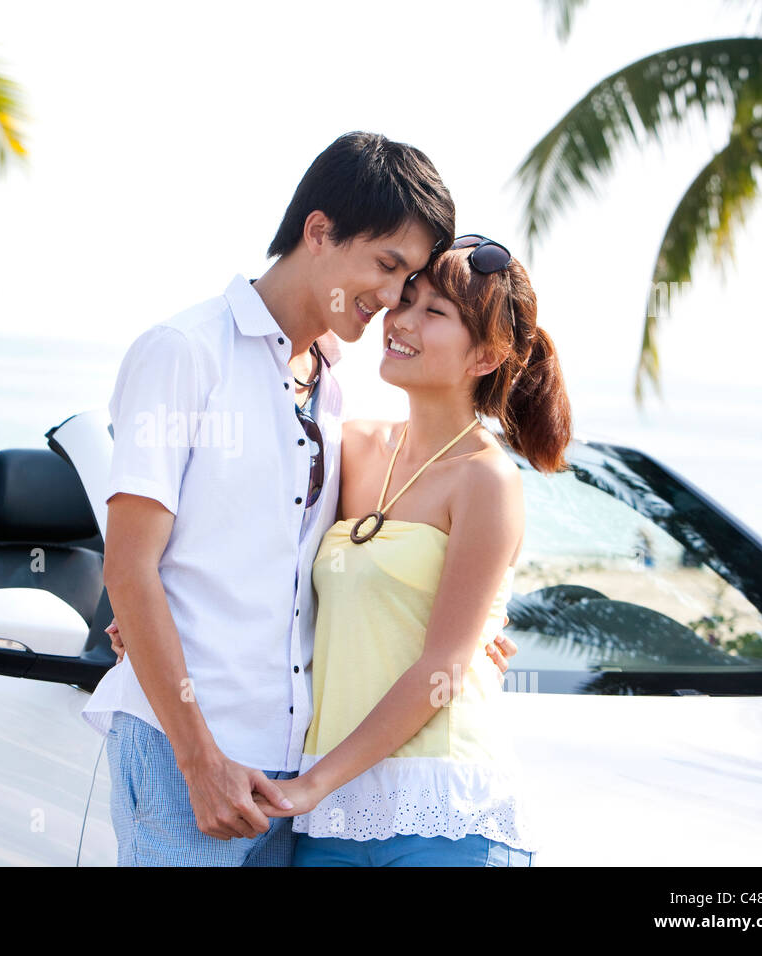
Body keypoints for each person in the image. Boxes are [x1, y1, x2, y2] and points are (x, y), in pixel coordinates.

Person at [81, 132, 519, 867]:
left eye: (410, 282)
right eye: (388, 268)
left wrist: (477, 625)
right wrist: (199, 761)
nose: (391, 302)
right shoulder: (186, 352)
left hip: (300, 781)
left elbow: (362, 561)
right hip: (187, 756)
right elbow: (129, 569)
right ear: (319, 232)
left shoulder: (332, 390)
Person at [250, 236, 573, 865]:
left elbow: (443, 666)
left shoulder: (487, 478)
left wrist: (310, 786)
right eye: (407, 300)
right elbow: (259, 554)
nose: (400, 321)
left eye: (435, 312)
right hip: (336, 809)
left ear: (486, 356)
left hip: (442, 807)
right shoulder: (353, 445)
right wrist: (151, 609)